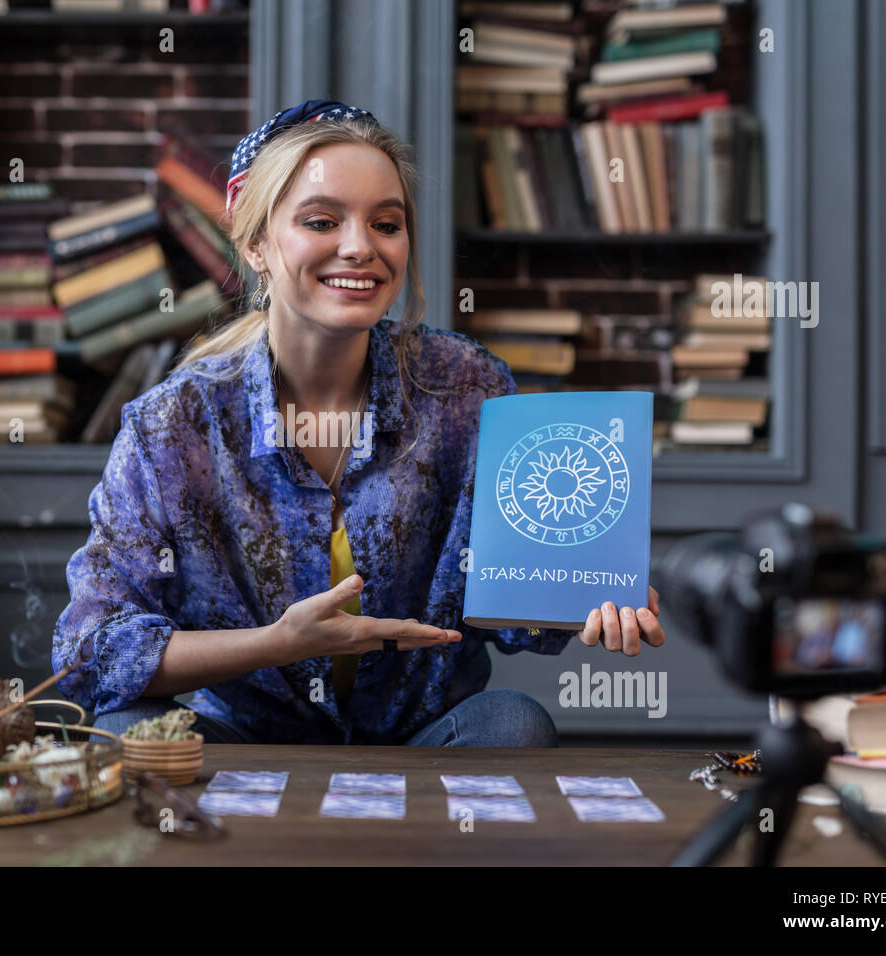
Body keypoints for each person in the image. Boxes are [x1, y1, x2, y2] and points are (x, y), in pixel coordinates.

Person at [52, 99, 665, 746]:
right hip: (243, 740)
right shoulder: (172, 426)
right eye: (321, 221)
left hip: (420, 741)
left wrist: (590, 600)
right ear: (256, 243)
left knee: (514, 723)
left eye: (386, 224)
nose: (360, 248)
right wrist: (275, 644)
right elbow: (91, 652)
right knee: (127, 733)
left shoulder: (466, 389)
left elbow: (513, 597)